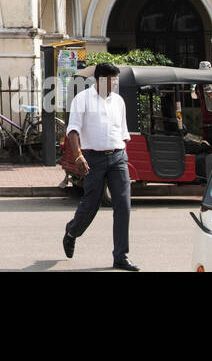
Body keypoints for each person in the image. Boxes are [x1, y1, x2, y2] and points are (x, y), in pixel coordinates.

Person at [62, 63, 137, 270]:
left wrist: (124, 158)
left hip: (117, 158)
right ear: (99, 80)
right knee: (91, 204)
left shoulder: (119, 101)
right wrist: (78, 156)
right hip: (92, 158)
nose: (113, 84)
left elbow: (123, 134)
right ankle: (71, 232)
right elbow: (73, 130)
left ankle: (120, 256)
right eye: (109, 80)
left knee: (123, 205)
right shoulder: (83, 99)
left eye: (115, 80)